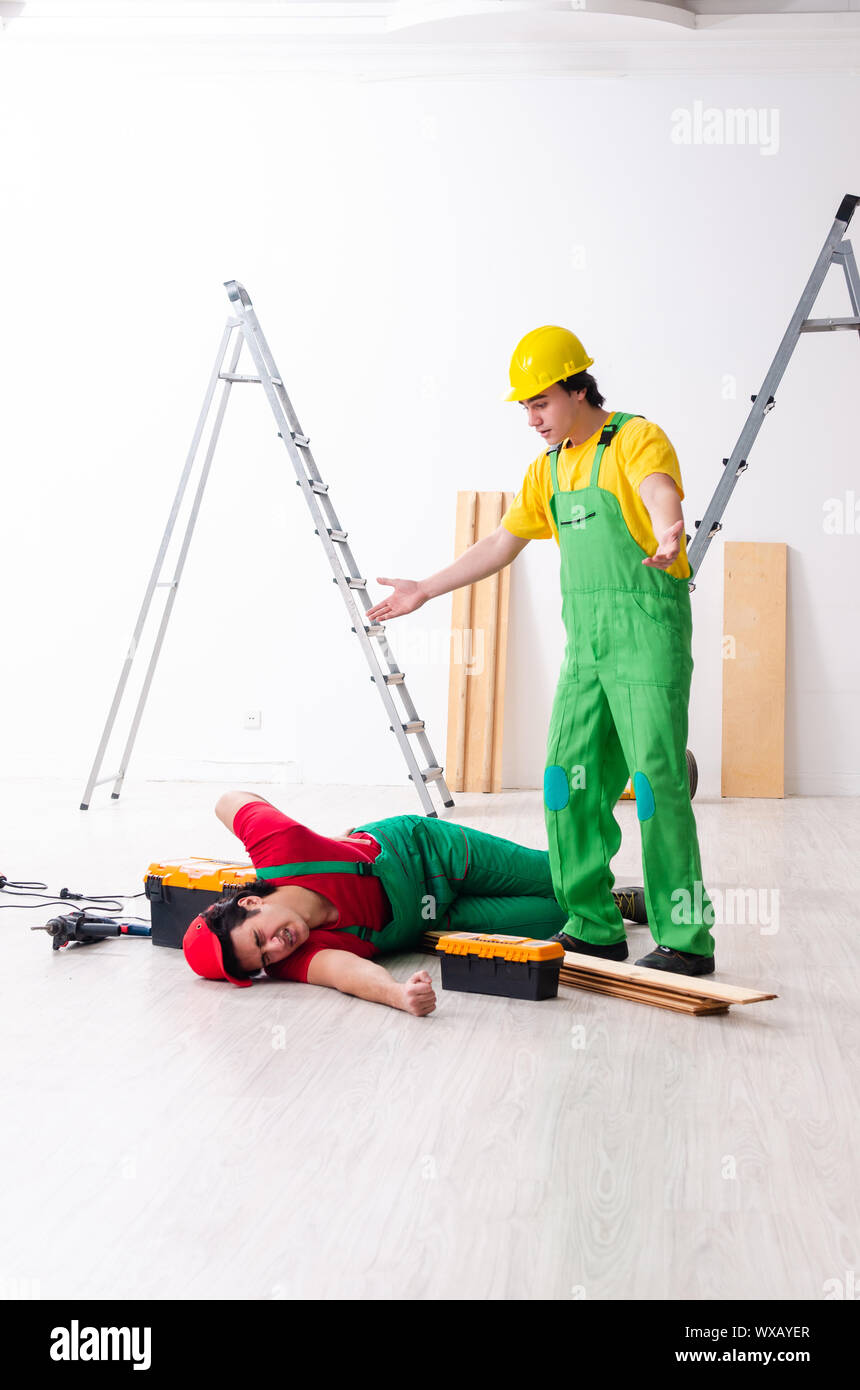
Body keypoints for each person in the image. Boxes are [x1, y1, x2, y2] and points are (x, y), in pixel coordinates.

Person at [365, 325, 716, 976]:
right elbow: (499, 545)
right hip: (588, 648)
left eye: (542, 402)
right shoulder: (547, 471)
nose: (532, 418)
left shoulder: (633, 439)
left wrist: (670, 527)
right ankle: (593, 924)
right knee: (565, 782)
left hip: (647, 637)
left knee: (655, 786)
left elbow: (657, 487)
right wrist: (425, 588)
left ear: (579, 388)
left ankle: (687, 940)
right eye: (525, 407)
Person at [182, 790, 649, 1012]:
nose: (277, 948)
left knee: (557, 875)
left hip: (428, 850)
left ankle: (622, 811)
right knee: (556, 917)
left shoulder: (279, 848)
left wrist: (323, 840)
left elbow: (225, 800)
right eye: (263, 960)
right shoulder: (298, 957)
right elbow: (350, 976)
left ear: (248, 903)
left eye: (260, 938)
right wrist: (399, 995)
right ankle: (611, 904)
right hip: (441, 913)